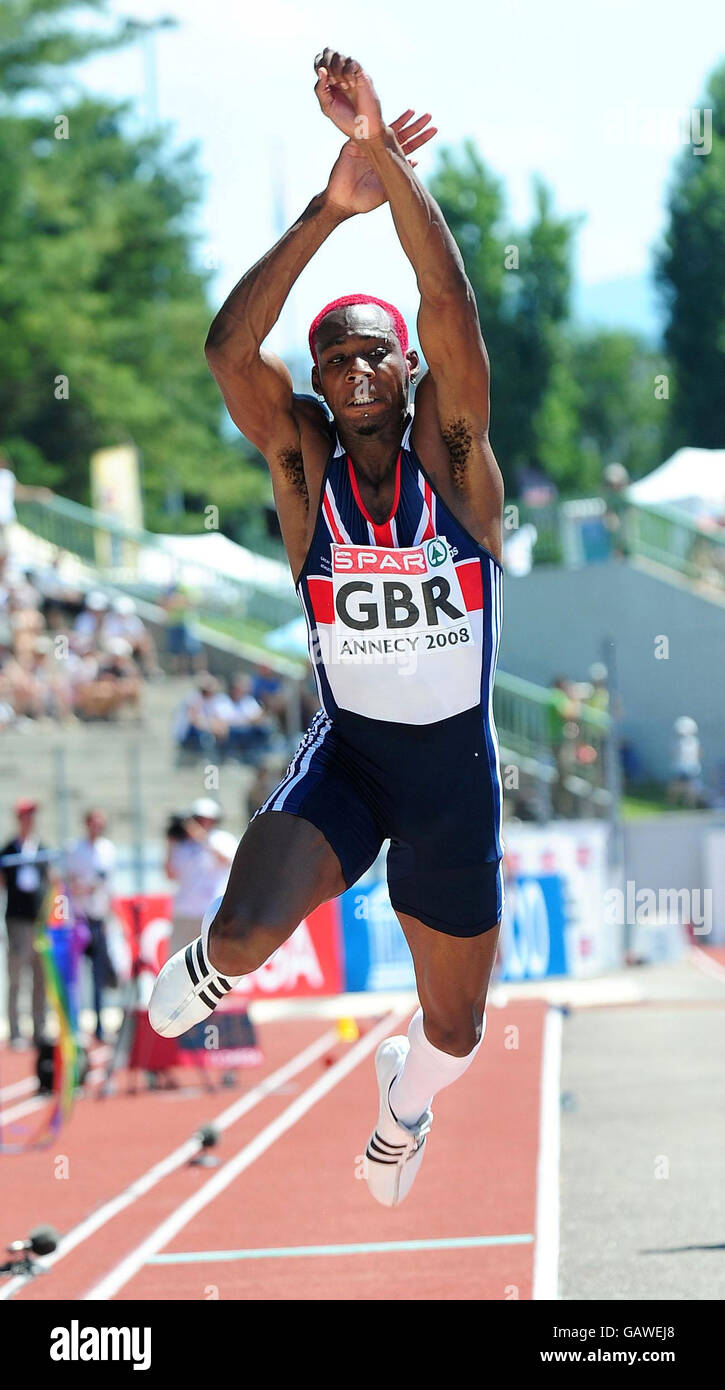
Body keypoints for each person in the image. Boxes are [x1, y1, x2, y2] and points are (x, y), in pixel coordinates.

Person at [150, 50, 504, 1209]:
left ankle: (402, 1107)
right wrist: (326, 207)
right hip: (353, 755)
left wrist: (391, 169)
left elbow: (448, 303)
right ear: (318, 380)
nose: (351, 365)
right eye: (331, 354)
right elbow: (222, 352)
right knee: (247, 937)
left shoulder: (454, 469)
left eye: (371, 351)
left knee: (452, 1030)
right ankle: (211, 968)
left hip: (451, 769)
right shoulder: (299, 462)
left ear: (407, 374)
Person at [0, 798, 49, 1048]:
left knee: (40, 977)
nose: (29, 820)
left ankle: (40, 1029)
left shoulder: (42, 848)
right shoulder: (9, 849)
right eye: (25, 816)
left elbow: (51, 883)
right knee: (17, 977)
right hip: (17, 921)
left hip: (39, 922)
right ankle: (16, 1031)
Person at [65, 809, 117, 1042]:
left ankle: (98, 1026)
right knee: (75, 977)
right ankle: (74, 1026)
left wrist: (110, 918)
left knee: (99, 977)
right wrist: (84, 888)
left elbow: (110, 888)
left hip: (99, 919)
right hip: (79, 919)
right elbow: (67, 883)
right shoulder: (75, 850)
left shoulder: (108, 849)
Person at [164, 799, 236, 956]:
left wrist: (201, 837)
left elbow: (227, 861)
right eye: (199, 819)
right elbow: (170, 874)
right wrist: (169, 844)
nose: (203, 822)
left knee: (211, 959)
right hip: (185, 911)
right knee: (177, 958)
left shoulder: (221, 839)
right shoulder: (183, 843)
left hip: (212, 911)